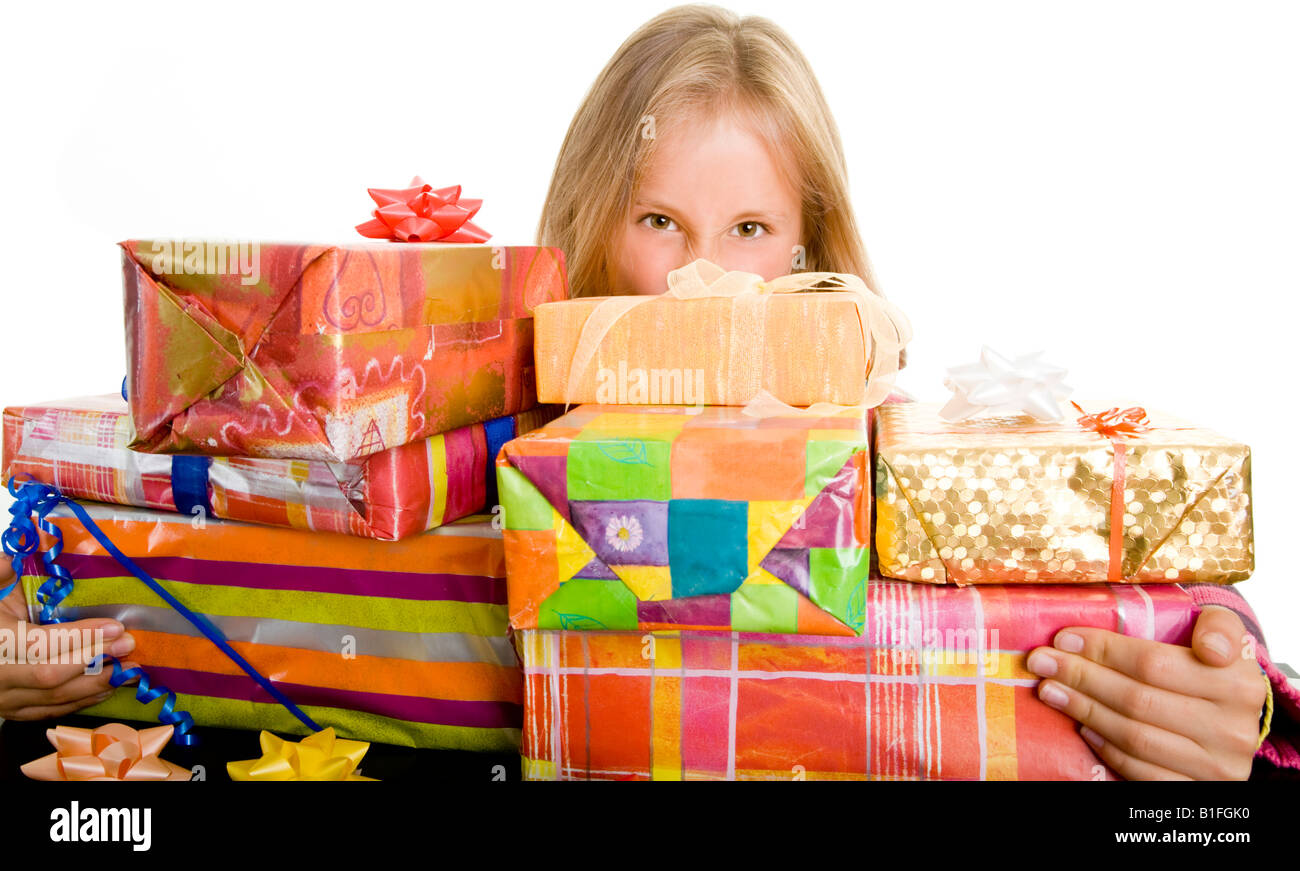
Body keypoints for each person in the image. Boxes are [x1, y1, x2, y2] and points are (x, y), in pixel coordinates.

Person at [535, 4, 1298, 779]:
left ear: (807, 247)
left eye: (750, 229)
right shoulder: (499, 455)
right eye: (659, 220)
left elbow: (1168, 593)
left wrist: (1239, 698)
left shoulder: (895, 449)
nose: (705, 284)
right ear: (593, 223)